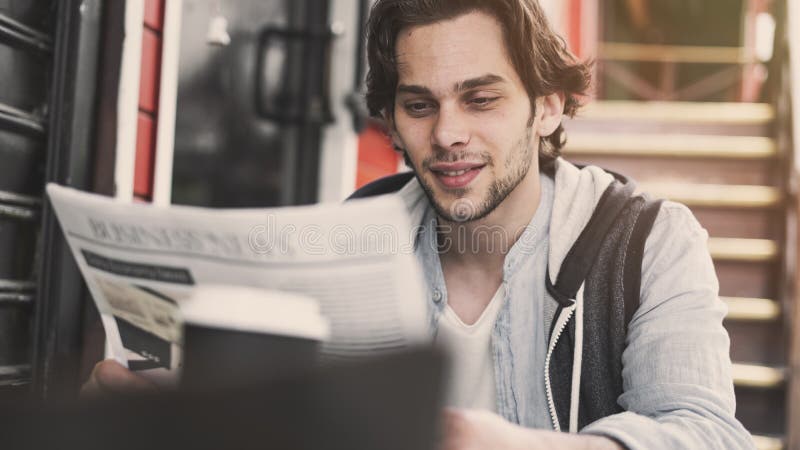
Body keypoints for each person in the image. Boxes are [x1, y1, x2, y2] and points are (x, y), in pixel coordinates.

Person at [87, 0, 755, 448]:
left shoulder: (651, 241)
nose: (447, 135)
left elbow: (709, 435)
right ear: (392, 120)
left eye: (481, 99)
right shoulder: (351, 235)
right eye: (419, 105)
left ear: (548, 106)